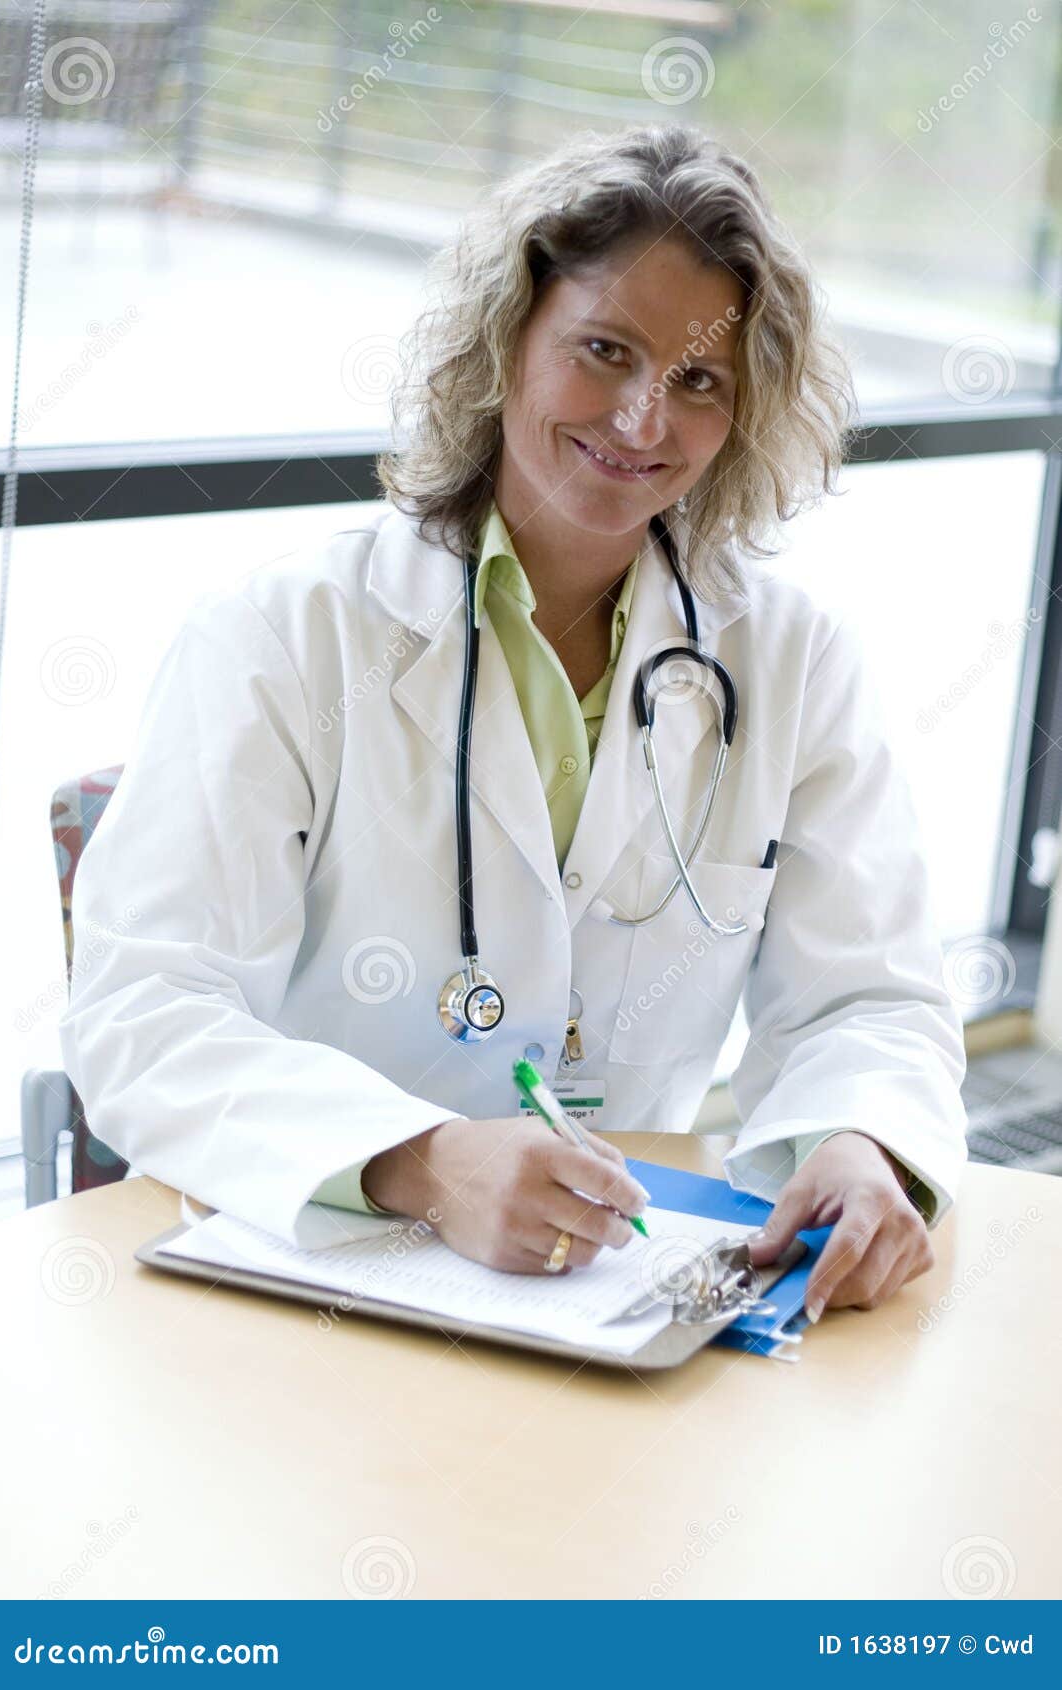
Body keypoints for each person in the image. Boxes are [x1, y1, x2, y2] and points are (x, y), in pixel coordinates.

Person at [61, 124, 966, 1321]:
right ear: (505, 346)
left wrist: (861, 1138)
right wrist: (422, 1158)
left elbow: (871, 1000)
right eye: (604, 351)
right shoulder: (285, 635)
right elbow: (144, 1011)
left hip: (608, 1284)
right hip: (315, 1279)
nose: (644, 419)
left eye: (698, 380)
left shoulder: (787, 658)